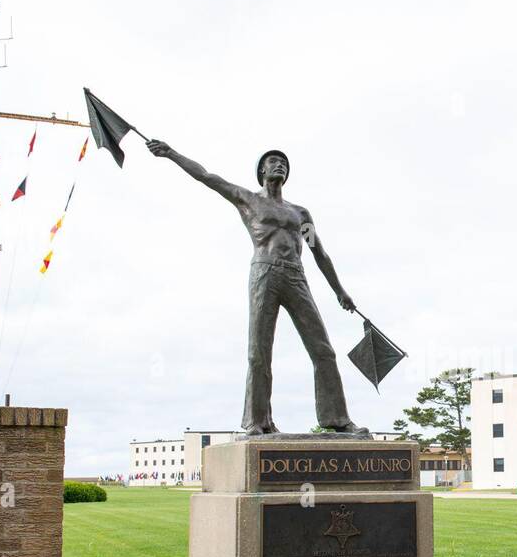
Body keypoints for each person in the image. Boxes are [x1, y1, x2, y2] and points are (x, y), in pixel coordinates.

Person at [146, 140, 366, 435]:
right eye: (273, 161)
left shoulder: (300, 214)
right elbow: (206, 176)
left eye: (284, 163)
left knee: (323, 349)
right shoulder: (247, 199)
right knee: (259, 351)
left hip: (296, 277)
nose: (279, 165)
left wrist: (340, 290)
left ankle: (337, 419)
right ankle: (257, 421)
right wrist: (171, 154)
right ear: (262, 170)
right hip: (264, 272)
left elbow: (319, 253)